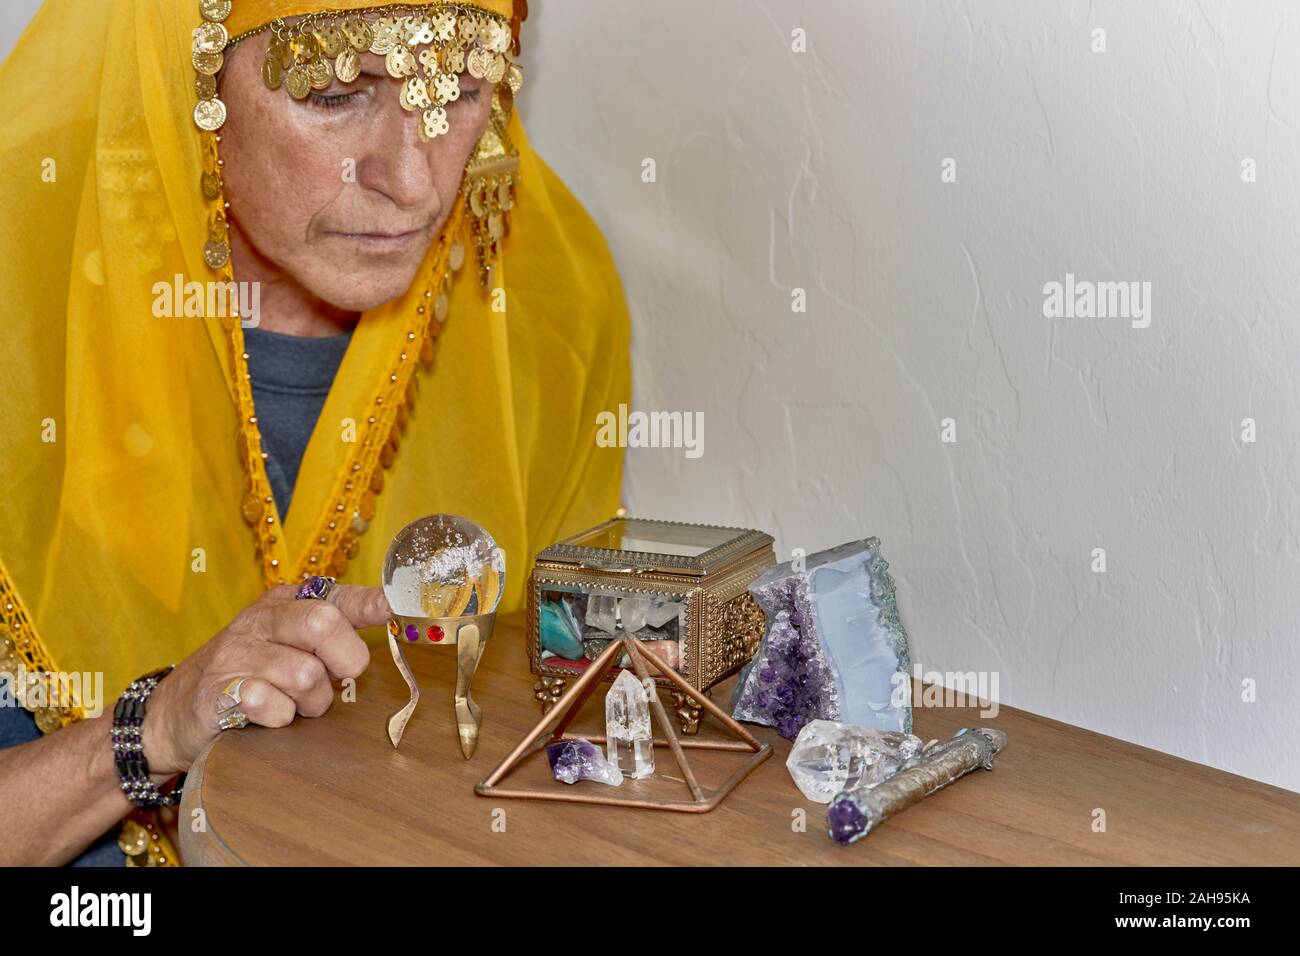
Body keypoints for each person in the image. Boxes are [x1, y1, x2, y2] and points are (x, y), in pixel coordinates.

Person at [0, 0, 631, 866]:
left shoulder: (543, 303)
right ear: (189, 70)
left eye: (463, 86)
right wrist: (161, 725)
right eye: (336, 93)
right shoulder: (21, 293)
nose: (415, 185)